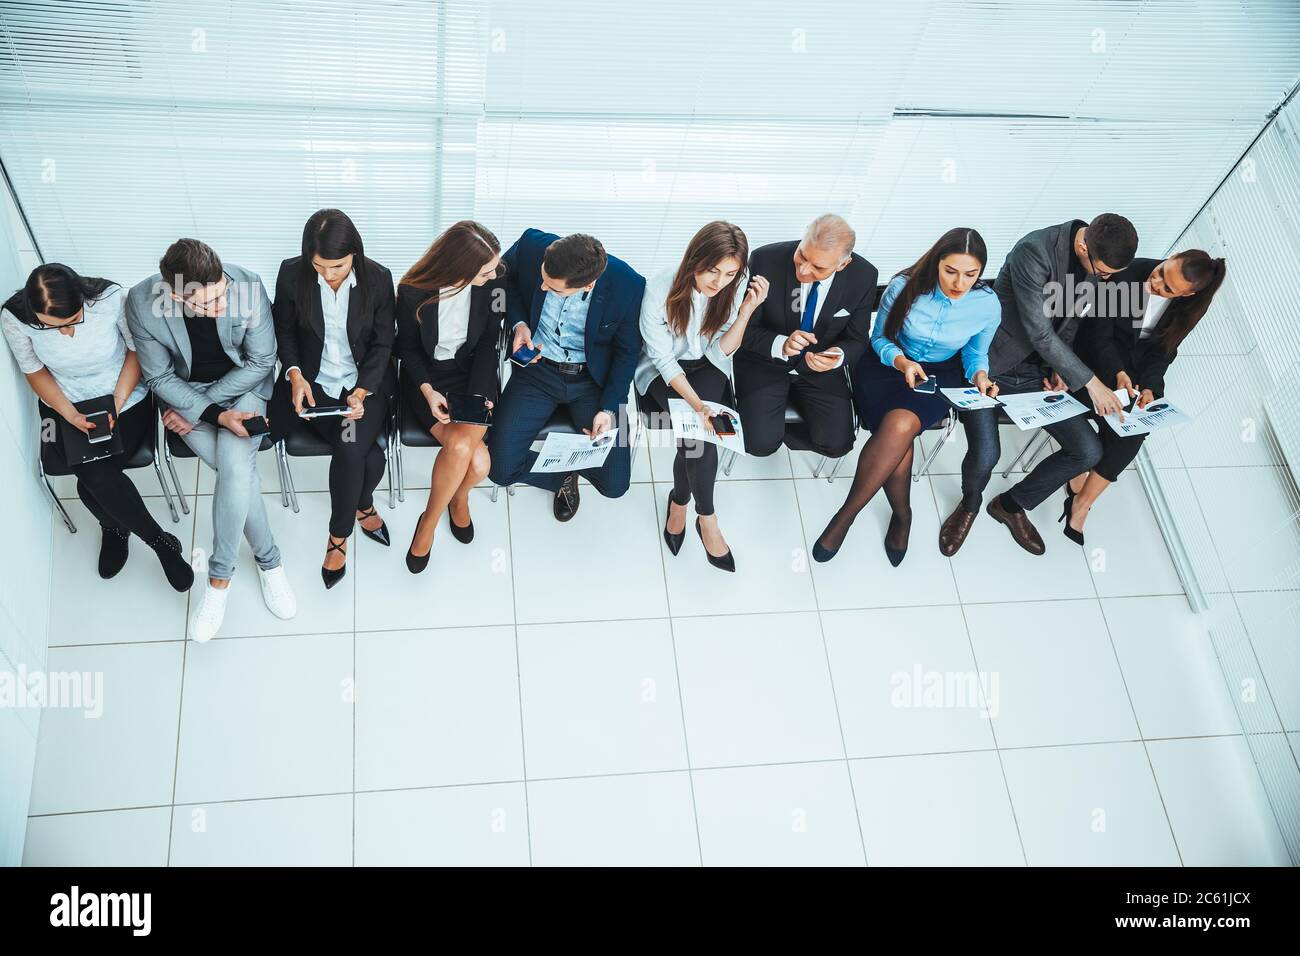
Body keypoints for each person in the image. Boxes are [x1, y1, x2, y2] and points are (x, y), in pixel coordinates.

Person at [938, 213, 1139, 557]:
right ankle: (969, 505)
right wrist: (1089, 382)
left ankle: (1012, 505)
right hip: (988, 364)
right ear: (1082, 244)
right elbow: (1039, 330)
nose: (1104, 279)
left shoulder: (1093, 264)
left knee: (1088, 451)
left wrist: (1061, 369)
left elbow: (1072, 318)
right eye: (1103, 272)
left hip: (1036, 373)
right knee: (988, 453)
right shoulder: (1034, 250)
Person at [126, 238, 297, 642]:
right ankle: (270, 563)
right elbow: (159, 378)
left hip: (244, 390)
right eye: (205, 304)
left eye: (220, 295)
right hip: (193, 399)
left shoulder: (248, 285)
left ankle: (219, 582)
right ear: (172, 294)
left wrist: (199, 408)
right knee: (240, 476)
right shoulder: (141, 303)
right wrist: (208, 412)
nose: (219, 307)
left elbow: (260, 361)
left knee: (236, 470)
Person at [812, 228, 1000, 564]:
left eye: (970, 275)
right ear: (936, 263)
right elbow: (879, 339)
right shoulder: (905, 286)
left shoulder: (986, 305)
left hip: (937, 375)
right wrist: (902, 361)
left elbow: (975, 354)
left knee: (900, 426)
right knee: (899, 441)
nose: (959, 283)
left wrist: (981, 377)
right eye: (951, 272)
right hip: (886, 366)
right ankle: (902, 515)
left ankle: (847, 516)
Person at [2, 264, 193, 590]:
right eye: (51, 327)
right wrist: (69, 414)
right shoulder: (16, 318)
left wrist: (116, 402)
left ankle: (116, 529)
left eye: (71, 321)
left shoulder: (109, 299)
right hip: (65, 402)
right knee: (95, 477)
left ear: (81, 301)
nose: (64, 333)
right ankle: (160, 542)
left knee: (90, 482)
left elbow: (137, 350)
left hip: (123, 394)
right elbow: (34, 371)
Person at [1062, 250, 1226, 543]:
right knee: (1106, 417)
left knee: (1134, 432)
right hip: (1091, 363)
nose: (1157, 283)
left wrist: (1151, 388)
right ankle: (1078, 469)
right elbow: (1098, 336)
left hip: (1131, 376)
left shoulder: (1190, 309)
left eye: (1168, 288)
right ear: (1170, 257)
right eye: (1162, 272)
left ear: (1188, 294)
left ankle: (1082, 503)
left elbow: (1163, 352)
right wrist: (1118, 374)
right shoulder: (1128, 274)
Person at [272, 209, 396, 589]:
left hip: (363, 385)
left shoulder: (378, 278)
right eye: (320, 266)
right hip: (313, 383)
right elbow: (285, 331)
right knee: (366, 455)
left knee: (349, 448)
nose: (328, 275)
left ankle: (337, 537)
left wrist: (362, 390)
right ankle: (363, 506)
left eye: (337, 266)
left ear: (354, 254)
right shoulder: (292, 273)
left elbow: (383, 344)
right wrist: (295, 375)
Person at [636, 221, 769, 572]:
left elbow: (722, 350)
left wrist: (745, 314)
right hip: (664, 373)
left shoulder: (734, 288)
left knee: (694, 438)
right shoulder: (660, 288)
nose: (719, 282)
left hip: (709, 363)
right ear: (696, 258)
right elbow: (663, 359)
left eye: (729, 273)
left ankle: (680, 501)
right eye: (713, 271)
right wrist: (699, 406)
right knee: (698, 434)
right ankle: (706, 518)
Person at [486, 229, 645, 520]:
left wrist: (609, 408)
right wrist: (519, 323)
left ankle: (571, 461)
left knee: (615, 485)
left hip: (593, 382)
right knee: (499, 469)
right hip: (537, 371)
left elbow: (626, 355)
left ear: (588, 285)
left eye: (554, 288)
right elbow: (501, 279)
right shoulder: (532, 245)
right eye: (542, 280)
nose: (543, 288)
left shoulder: (630, 285)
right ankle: (561, 477)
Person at [395, 221, 505, 573]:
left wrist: (478, 395)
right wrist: (427, 391)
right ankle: (450, 504)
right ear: (461, 266)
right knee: (478, 462)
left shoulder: (494, 284)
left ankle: (434, 515)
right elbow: (408, 350)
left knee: (472, 457)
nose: (493, 275)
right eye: (485, 270)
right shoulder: (412, 290)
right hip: (427, 379)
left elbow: (489, 344)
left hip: (475, 375)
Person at [735, 213, 877, 461]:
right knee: (759, 445)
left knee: (838, 446)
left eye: (818, 268)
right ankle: (771, 429)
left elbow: (857, 339)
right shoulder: (764, 260)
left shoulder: (863, 277)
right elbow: (744, 329)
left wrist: (837, 356)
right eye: (802, 255)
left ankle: (783, 426)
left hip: (819, 370)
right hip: (765, 362)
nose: (803, 269)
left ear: (842, 264)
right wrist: (781, 344)